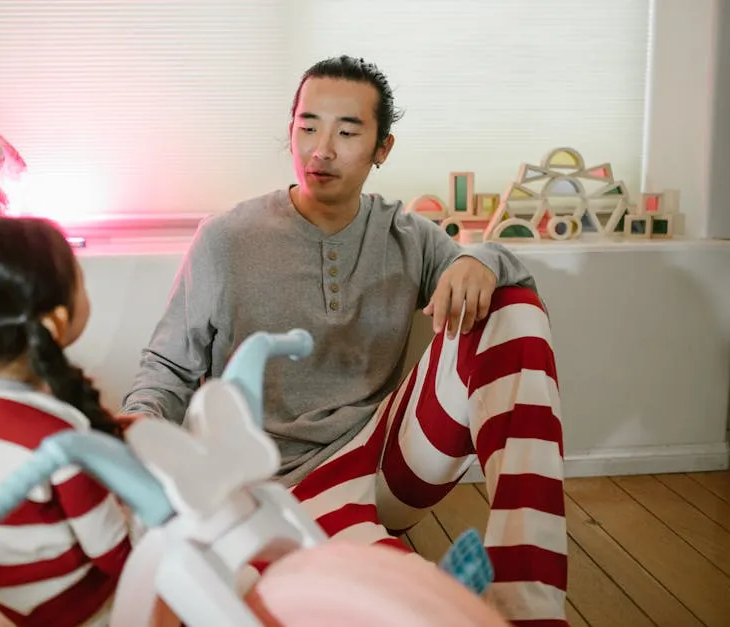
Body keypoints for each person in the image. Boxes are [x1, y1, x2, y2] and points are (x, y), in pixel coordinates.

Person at [121, 55, 567, 626]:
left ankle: (529, 603)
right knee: (399, 602)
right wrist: (138, 436)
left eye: (347, 131)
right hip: (280, 483)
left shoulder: (406, 234)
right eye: (307, 126)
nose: (321, 149)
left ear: (382, 148)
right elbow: (167, 367)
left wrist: (481, 258)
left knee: (512, 306)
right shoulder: (226, 239)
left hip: (384, 459)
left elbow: (495, 274)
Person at [0, 217, 133, 626]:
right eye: (81, 279)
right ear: (57, 321)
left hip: (5, 593)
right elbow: (113, 551)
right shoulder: (59, 435)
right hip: (70, 603)